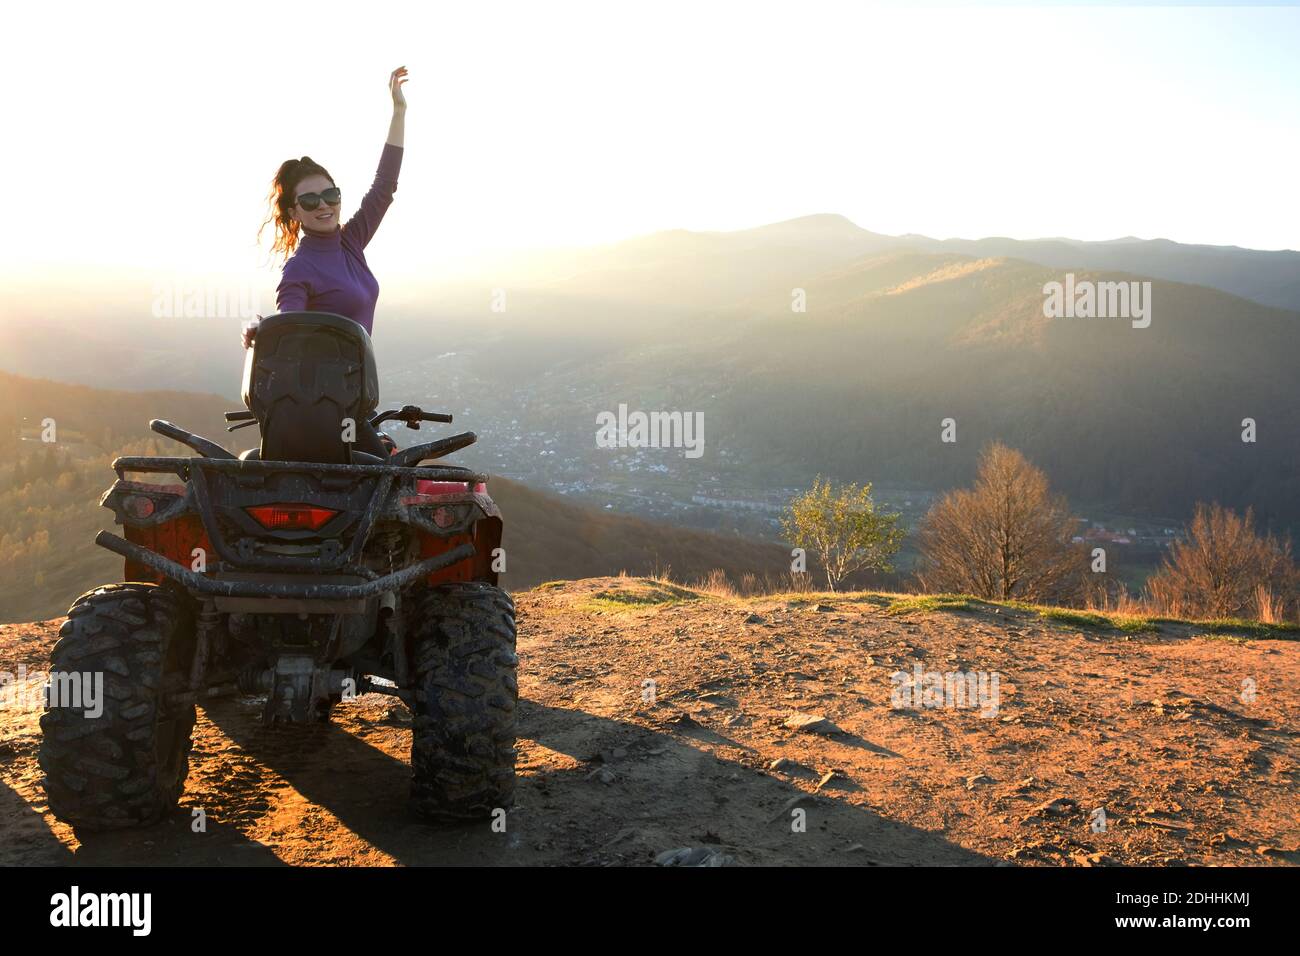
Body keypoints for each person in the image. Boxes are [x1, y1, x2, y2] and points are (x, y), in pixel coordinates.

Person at [246, 66, 409, 460]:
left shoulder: (351, 241)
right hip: (326, 410)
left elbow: (384, 187)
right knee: (391, 478)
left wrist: (398, 113)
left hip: (352, 403)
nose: (325, 206)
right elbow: (290, 324)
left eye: (330, 194)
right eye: (310, 200)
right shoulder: (299, 269)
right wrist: (263, 329)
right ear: (293, 212)